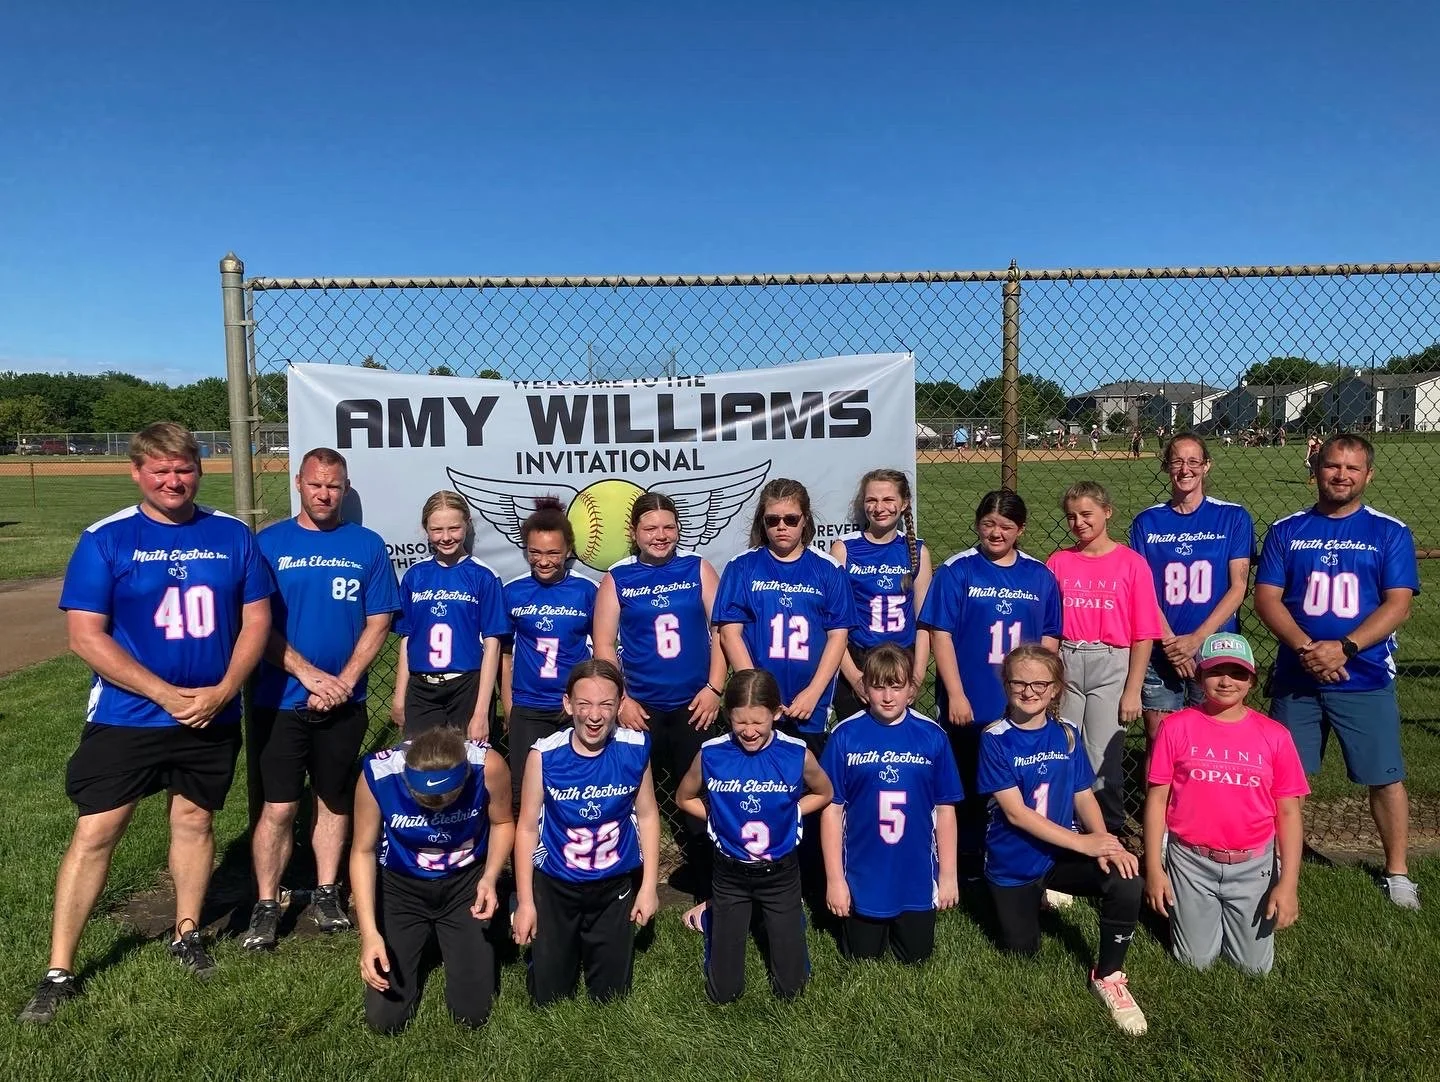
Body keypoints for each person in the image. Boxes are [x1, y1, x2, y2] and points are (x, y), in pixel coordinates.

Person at [19, 423, 272, 1024]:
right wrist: (163, 693)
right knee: (99, 830)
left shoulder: (232, 535)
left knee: (194, 819)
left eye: (182, 468)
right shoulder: (107, 538)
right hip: (129, 713)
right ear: (136, 473)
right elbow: (84, 636)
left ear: (200, 469)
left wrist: (224, 690)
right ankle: (60, 968)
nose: (172, 480)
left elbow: (256, 619)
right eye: (159, 470)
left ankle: (186, 934)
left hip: (209, 710)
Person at [1254, 433, 1422, 909]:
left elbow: (1399, 604)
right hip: (1297, 674)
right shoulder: (1288, 530)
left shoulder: (1389, 531)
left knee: (1384, 775)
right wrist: (1309, 648)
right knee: (1287, 781)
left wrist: (1345, 647)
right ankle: (1282, 867)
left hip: (1363, 674)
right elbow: (1267, 598)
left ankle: (1397, 870)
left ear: (1368, 474)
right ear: (1317, 469)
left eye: (1352, 468)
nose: (1341, 475)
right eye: (1332, 466)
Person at [244, 448, 401, 950]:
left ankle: (327, 891)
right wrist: (310, 675)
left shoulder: (367, 545)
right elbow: (255, 627)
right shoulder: (268, 544)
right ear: (298, 483)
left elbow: (379, 621)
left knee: (334, 799)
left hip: (345, 703)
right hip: (280, 700)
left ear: (345, 488)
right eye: (315, 484)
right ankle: (268, 902)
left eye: (334, 486)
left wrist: (345, 680)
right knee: (279, 807)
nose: (324, 494)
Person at [977, 644, 1147, 1035]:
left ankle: (1108, 974)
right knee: (1021, 952)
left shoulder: (1068, 735)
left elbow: (1082, 794)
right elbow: (1016, 813)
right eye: (1019, 682)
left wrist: (1104, 841)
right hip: (1013, 860)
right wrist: (1083, 844)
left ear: (1056, 689)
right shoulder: (995, 739)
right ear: (1006, 686)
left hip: (1059, 853)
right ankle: (1033, 894)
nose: (1030, 691)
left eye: (1040, 683)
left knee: (1124, 879)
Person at [1144, 633, 1307, 973]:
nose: (1226, 681)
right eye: (1216, 671)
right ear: (1200, 676)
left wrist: (1287, 883)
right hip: (1191, 860)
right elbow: (1157, 801)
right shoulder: (1175, 727)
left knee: (1253, 969)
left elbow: (1289, 813)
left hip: (1252, 866)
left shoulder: (1275, 735)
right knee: (1195, 962)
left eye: (1238, 673)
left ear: (1251, 680)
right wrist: (1155, 870)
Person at [919, 490, 1061, 866]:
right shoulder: (957, 570)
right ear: (977, 523)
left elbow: (1049, 636)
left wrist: (1044, 689)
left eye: (1006, 526)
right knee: (964, 778)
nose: (996, 533)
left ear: (1021, 529)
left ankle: (1017, 855)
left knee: (1019, 780)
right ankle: (964, 858)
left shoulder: (1039, 575)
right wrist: (956, 694)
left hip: (1022, 699)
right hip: (972, 696)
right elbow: (941, 634)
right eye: (988, 524)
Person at [593, 492, 726, 887]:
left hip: (693, 704)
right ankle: (629, 879)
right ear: (634, 532)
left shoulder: (698, 568)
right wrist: (622, 700)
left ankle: (709, 880)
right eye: (650, 528)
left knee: (698, 794)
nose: (660, 535)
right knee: (633, 794)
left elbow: (722, 631)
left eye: (668, 526)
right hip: (641, 708)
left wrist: (715, 688)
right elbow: (603, 646)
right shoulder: (618, 577)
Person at [675, 669, 832, 1002]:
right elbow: (684, 798)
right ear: (727, 715)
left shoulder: (796, 753)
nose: (748, 732)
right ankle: (712, 915)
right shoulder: (712, 753)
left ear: (776, 713)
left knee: (793, 989)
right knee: (723, 993)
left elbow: (824, 792)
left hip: (780, 874)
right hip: (730, 874)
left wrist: (791, 812)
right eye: (739, 722)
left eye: (758, 722)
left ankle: (787, 920)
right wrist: (718, 818)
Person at [511, 660, 662, 1005]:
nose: (595, 716)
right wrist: (525, 901)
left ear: (621, 705)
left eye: (606, 704)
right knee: (548, 998)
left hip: (612, 885)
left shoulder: (635, 749)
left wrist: (649, 886)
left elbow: (649, 815)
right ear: (568, 704)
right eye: (584, 704)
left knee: (610, 997)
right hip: (557, 883)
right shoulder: (544, 756)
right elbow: (526, 828)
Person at [351, 727, 514, 1033]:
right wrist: (370, 935)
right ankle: (419, 939)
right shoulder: (378, 773)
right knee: (384, 1020)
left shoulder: (487, 765)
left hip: (464, 885)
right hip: (402, 887)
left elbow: (503, 822)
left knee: (472, 1013)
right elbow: (361, 851)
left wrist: (490, 877)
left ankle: (452, 939)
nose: (436, 809)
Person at [820, 645, 962, 964]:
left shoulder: (932, 737)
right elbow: (832, 811)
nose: (887, 697)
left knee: (916, 957)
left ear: (911, 690)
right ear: (864, 687)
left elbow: (945, 809)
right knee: (862, 957)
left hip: (914, 873)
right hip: (863, 872)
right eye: (878, 686)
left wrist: (949, 875)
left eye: (896, 687)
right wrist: (835, 880)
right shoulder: (845, 736)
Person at [1046, 481, 1163, 834]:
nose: (1078, 523)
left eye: (1086, 514)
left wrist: (1132, 690)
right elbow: (1051, 625)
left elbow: (1144, 633)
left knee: (1102, 755)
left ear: (1107, 512)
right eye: (1071, 516)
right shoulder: (1059, 561)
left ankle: (1108, 828)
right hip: (1068, 658)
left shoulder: (1131, 564)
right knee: (1063, 745)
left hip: (1111, 661)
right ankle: (1065, 823)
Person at [715, 478, 855, 756]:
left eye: (791, 519)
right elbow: (730, 634)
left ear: (805, 520)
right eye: (772, 520)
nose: (781, 526)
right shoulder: (742, 567)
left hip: (810, 701)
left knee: (809, 780)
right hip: (758, 704)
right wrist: (760, 695)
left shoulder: (828, 569)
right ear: (762, 522)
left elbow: (838, 636)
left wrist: (813, 692)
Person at [1128, 435, 1254, 743]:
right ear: (1166, 467)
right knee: (1160, 739)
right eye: (1177, 461)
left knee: (1213, 737)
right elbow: (1142, 592)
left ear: (1206, 466)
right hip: (1161, 647)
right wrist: (1172, 644)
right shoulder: (1147, 521)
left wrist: (1197, 640)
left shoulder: (1233, 518)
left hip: (1215, 647)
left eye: (1193, 461)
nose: (1185, 469)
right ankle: (1159, 794)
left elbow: (1238, 588)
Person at [502, 496, 598, 810]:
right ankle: (527, 859)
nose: (544, 561)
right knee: (524, 791)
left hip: (574, 706)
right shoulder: (513, 591)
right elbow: (504, 654)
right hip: (528, 705)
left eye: (553, 553)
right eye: (535, 553)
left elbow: (603, 651)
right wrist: (509, 704)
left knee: (577, 785)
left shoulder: (587, 590)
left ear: (568, 551)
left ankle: (574, 855)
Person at [391, 492, 508, 741]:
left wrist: (480, 713)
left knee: (469, 765)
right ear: (426, 530)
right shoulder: (415, 575)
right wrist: (400, 696)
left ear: (467, 524)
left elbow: (492, 646)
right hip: (421, 688)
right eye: (437, 530)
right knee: (422, 765)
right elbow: (406, 641)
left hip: (466, 685)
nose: (446, 537)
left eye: (454, 528)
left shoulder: (484, 576)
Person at [829, 468, 931, 723]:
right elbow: (834, 623)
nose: (879, 507)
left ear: (904, 502)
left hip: (900, 663)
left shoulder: (917, 550)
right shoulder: (844, 549)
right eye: (871, 500)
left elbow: (924, 624)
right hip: (858, 658)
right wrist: (854, 677)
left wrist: (916, 679)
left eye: (888, 500)